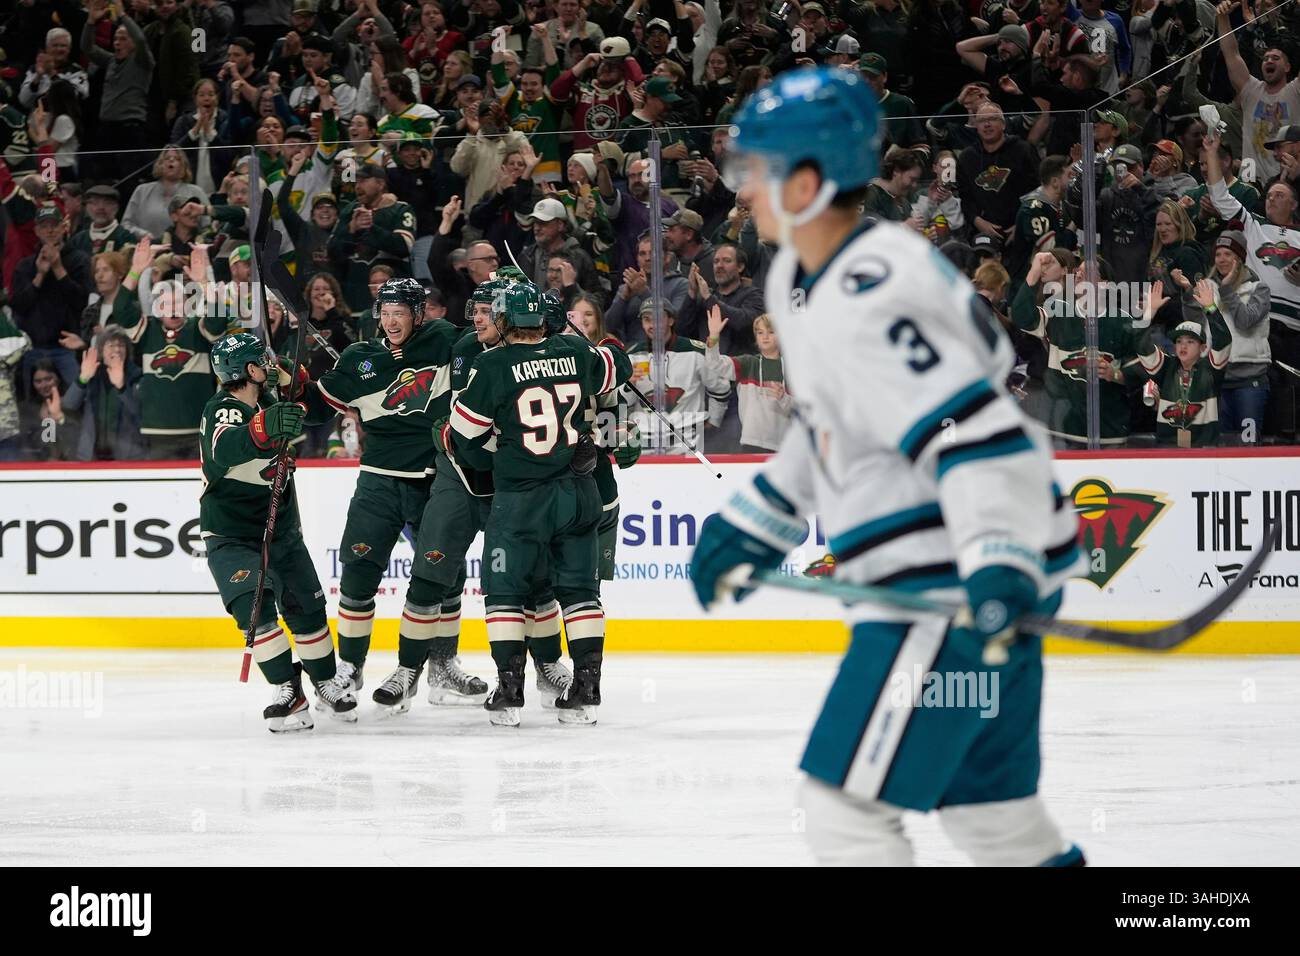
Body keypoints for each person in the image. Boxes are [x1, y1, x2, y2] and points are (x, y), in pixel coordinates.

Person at [690, 67, 1084, 867]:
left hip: (944, 590)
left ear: (806, 182)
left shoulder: (871, 288)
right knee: (993, 820)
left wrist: (996, 562)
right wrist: (752, 524)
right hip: (963, 579)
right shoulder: (811, 275)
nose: (745, 194)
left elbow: (971, 429)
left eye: (756, 175)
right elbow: (837, 423)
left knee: (843, 809)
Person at [442, 280, 632, 725]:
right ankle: (586, 688)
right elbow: (617, 362)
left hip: (521, 498)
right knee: (581, 593)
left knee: (505, 591)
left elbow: (463, 434)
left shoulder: (492, 365)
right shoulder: (577, 351)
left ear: (506, 319)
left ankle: (510, 690)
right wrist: (586, 335)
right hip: (578, 493)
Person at [299, 277, 488, 713]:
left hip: (436, 479)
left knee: (445, 576)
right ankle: (350, 667)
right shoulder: (359, 358)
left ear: (419, 314)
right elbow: (314, 410)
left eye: (399, 312)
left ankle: (441, 668)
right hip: (379, 482)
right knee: (358, 573)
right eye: (384, 314)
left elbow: (487, 344)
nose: (390, 322)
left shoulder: (445, 340)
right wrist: (293, 386)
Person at [200, 332, 356, 732]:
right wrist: (261, 430)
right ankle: (288, 689)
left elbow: (321, 412)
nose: (270, 366)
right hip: (232, 534)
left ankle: (324, 682)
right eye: (263, 362)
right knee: (256, 611)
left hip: (281, 529)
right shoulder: (222, 409)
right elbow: (225, 449)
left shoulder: (272, 401)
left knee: (307, 608)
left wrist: (297, 384)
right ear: (249, 370)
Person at [1012, 250, 1146, 446]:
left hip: (1109, 430)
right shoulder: (1057, 309)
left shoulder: (1122, 320)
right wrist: (1034, 272)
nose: (1079, 275)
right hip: (1062, 427)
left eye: (1088, 273)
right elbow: (1022, 317)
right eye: (1078, 272)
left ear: (1104, 284)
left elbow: (1141, 370)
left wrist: (1115, 374)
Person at [113, 239, 226, 459]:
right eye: (165, 304)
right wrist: (135, 270)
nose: (173, 309)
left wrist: (203, 281)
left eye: (178, 302)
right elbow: (121, 309)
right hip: (158, 432)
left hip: (199, 431)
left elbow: (218, 321)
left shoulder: (197, 328)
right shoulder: (147, 330)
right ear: (156, 307)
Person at [1196, 230, 1272, 443]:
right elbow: (1197, 327)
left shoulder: (1259, 288)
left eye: (1227, 254)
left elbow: (1245, 322)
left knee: (1248, 444)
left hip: (1250, 381)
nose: (1221, 259)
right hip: (1216, 379)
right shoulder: (1208, 288)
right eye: (1218, 254)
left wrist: (1227, 290)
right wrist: (1187, 295)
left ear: (1239, 258)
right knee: (1219, 447)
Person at [1138, 285, 1233, 447]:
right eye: (1179, 341)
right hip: (1167, 448)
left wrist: (1211, 309)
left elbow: (1223, 340)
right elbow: (1141, 346)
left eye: (1190, 341)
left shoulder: (1211, 369)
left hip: (1204, 449)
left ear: (1203, 347)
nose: (1183, 346)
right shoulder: (1166, 367)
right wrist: (1149, 314)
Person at [702, 307, 791, 453]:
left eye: (771, 332)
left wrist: (784, 398)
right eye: (760, 332)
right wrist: (713, 336)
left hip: (783, 446)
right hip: (751, 441)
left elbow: (801, 410)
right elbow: (714, 364)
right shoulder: (747, 363)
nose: (765, 337)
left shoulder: (791, 370)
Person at [63, 324, 145, 462]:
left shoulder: (136, 375)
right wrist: (83, 378)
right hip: (91, 456)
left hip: (128, 458)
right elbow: (69, 405)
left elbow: (141, 413)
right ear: (101, 351)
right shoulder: (92, 373)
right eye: (111, 345)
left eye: (121, 345)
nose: (117, 349)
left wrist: (121, 387)